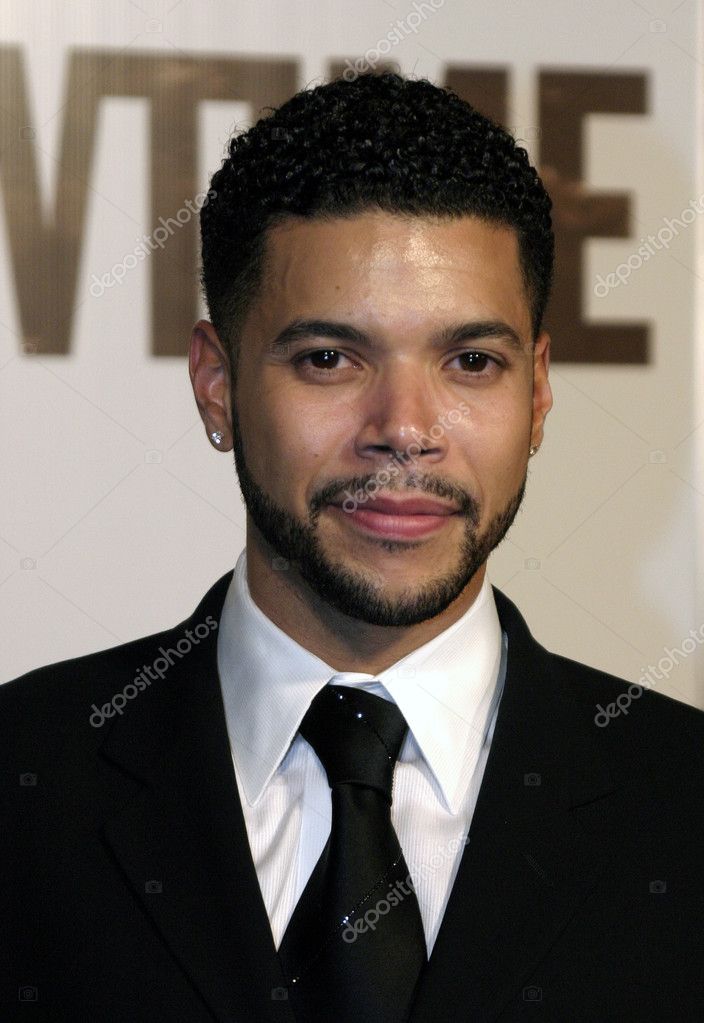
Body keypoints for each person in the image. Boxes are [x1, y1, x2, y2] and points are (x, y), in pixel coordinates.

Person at [1, 70, 703, 1023]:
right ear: (217, 384)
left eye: (471, 361)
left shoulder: (683, 806)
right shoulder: (24, 784)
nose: (405, 429)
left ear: (537, 392)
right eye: (329, 358)